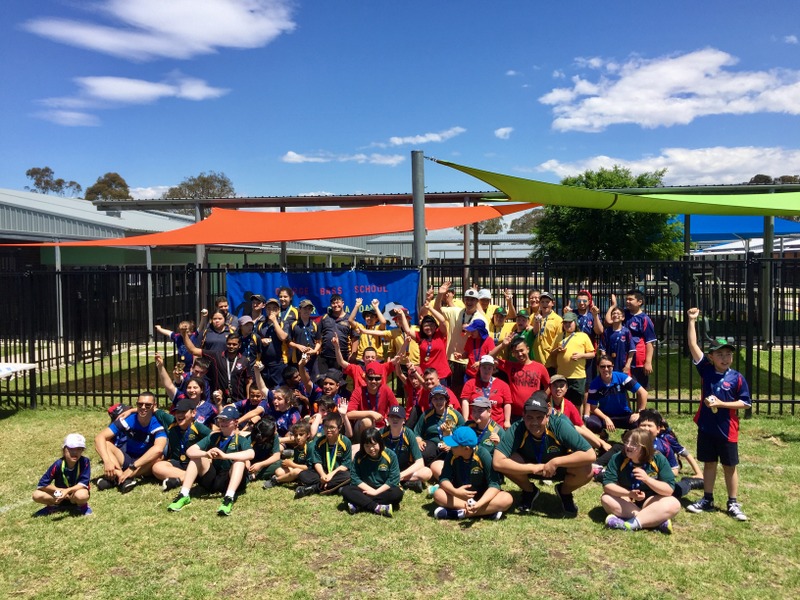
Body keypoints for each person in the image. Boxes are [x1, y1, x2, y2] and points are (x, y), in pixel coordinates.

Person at [685, 308, 751, 521]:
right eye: (720, 354)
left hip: (727, 429)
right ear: (711, 357)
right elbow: (693, 345)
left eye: (728, 354)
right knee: (709, 463)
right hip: (707, 426)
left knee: (730, 466)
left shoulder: (737, 378)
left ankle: (732, 502)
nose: (725, 358)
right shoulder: (706, 369)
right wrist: (692, 321)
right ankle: (707, 499)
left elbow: (745, 403)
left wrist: (722, 403)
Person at [493, 393, 594, 515]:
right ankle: (529, 491)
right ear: (523, 416)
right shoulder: (518, 427)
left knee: (587, 470)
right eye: (529, 417)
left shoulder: (559, 425)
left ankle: (564, 492)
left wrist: (555, 462)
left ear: (547, 416)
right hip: (530, 467)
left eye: (539, 417)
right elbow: (498, 461)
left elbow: (590, 454)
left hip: (559, 468)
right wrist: (533, 467)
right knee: (506, 460)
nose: (534, 422)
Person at [167, 404, 254, 516]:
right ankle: (184, 495)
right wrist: (206, 454)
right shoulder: (213, 436)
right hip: (214, 479)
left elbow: (251, 454)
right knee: (196, 458)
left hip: (230, 478)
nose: (222, 423)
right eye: (220, 419)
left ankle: (229, 498)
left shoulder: (240, 439)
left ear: (236, 422)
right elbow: (190, 451)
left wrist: (225, 456)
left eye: (227, 420)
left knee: (239, 463)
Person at [601, 428, 680, 534]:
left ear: (644, 447)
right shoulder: (617, 458)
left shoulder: (658, 459)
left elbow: (669, 490)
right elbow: (608, 485)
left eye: (633, 444)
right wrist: (629, 493)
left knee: (674, 503)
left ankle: (628, 524)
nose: (628, 446)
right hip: (627, 501)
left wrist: (647, 480)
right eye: (627, 442)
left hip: (651, 502)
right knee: (606, 498)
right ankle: (653, 520)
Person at [432, 426, 513, 520]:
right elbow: (444, 479)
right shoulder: (452, 454)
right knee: (438, 494)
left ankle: (457, 513)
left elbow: (494, 485)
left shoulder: (483, 454)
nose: (451, 447)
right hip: (459, 496)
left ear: (466, 448)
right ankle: (487, 512)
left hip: (483, 497)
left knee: (507, 498)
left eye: (454, 445)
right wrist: (456, 492)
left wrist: (479, 504)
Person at [95, 392, 167, 493]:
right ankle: (121, 476)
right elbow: (99, 437)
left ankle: (121, 477)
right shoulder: (128, 419)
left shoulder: (157, 423)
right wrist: (107, 461)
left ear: (154, 406)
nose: (143, 407)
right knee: (106, 443)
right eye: (140, 404)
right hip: (128, 457)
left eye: (147, 405)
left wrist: (132, 468)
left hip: (144, 463)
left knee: (159, 456)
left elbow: (158, 449)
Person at [435, 281, 485, 397]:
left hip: (470, 362)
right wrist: (440, 294)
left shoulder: (480, 318)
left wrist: (471, 331)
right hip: (452, 358)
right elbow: (437, 308)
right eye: (467, 299)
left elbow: (483, 340)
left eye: (472, 300)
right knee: (451, 392)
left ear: (477, 302)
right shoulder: (456, 311)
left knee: (468, 393)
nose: (469, 302)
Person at [151, 398, 212, 491]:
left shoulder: (199, 427)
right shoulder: (171, 422)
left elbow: (214, 438)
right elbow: (153, 409)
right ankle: (190, 478)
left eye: (183, 412)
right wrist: (131, 410)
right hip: (177, 462)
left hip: (195, 463)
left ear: (193, 413)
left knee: (205, 460)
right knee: (157, 468)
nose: (179, 415)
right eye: (177, 412)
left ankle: (180, 479)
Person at [341, 427, 403, 517]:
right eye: (367, 446)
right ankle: (377, 507)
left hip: (383, 490)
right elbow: (355, 478)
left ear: (380, 443)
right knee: (346, 490)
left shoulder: (390, 455)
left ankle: (359, 504)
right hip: (365, 489)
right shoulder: (359, 456)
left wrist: (376, 492)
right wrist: (370, 490)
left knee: (397, 494)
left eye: (374, 445)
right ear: (362, 446)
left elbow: (393, 479)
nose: (371, 449)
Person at [489, 335, 550, 422]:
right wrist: (503, 345)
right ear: (513, 354)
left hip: (533, 412)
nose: (520, 354)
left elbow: (548, 386)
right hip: (515, 414)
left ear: (527, 349)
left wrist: (541, 399)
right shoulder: (510, 366)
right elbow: (490, 357)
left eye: (522, 350)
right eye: (516, 352)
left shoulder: (540, 367)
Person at [294, 412, 352, 499]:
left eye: (332, 427)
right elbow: (317, 462)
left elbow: (345, 465)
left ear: (339, 428)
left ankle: (314, 488)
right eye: (326, 426)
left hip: (337, 473)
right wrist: (322, 475)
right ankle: (335, 487)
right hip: (322, 472)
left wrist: (330, 475)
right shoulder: (319, 441)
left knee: (349, 476)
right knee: (303, 475)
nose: (328, 430)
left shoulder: (345, 442)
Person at [413, 384, 465, 481]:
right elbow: (416, 432)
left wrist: (452, 444)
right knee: (422, 452)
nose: (438, 402)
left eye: (441, 398)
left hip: (451, 443)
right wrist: (419, 441)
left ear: (446, 400)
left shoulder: (455, 414)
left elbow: (464, 433)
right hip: (433, 444)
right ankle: (430, 470)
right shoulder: (426, 415)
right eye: (435, 399)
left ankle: (442, 471)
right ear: (431, 401)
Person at [33, 433, 92, 517]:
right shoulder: (58, 464)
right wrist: (61, 491)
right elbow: (42, 484)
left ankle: (82, 507)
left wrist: (67, 491)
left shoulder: (84, 462)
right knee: (36, 494)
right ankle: (53, 506)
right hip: (59, 496)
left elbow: (83, 484)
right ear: (64, 450)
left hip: (74, 495)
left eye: (79, 449)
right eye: (71, 449)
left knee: (82, 495)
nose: (75, 452)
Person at [585, 356, 648, 435]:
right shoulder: (594, 384)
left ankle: (627, 435)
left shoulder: (622, 378)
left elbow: (643, 393)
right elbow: (593, 408)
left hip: (624, 415)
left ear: (613, 366)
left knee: (641, 422)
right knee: (591, 423)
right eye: (602, 366)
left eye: (609, 366)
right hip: (605, 415)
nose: (606, 369)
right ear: (598, 367)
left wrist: (639, 413)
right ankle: (603, 435)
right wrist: (606, 418)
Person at [606, 291, 656, 388]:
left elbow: (650, 342)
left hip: (638, 358)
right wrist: (613, 306)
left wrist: (648, 362)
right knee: (621, 386)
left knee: (640, 387)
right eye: (626, 299)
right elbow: (608, 321)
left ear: (639, 302)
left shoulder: (645, 319)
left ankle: (640, 404)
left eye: (631, 299)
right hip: (623, 357)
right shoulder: (624, 314)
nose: (627, 301)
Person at [547, 311, 595, 402]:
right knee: (563, 400)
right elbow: (552, 353)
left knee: (577, 401)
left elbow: (592, 354)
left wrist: (581, 355)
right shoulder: (559, 336)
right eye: (565, 322)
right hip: (562, 375)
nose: (567, 324)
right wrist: (557, 350)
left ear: (575, 322)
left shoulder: (583, 336)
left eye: (570, 322)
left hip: (578, 376)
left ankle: (578, 416)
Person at [381, 405, 430, 492]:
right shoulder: (381, 433)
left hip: (404, 469)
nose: (395, 419)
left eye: (398, 417)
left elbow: (420, 462)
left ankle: (398, 480)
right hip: (385, 468)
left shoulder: (408, 433)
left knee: (427, 473)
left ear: (404, 420)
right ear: (387, 419)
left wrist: (400, 475)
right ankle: (406, 483)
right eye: (392, 416)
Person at [460, 355, 512, 429]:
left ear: (493, 369)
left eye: (489, 368)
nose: (486, 371)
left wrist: (507, 421)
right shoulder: (470, 383)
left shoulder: (503, 385)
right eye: (484, 367)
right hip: (474, 423)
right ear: (479, 368)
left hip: (496, 424)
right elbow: (465, 401)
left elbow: (507, 403)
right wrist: (465, 419)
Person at [347, 363, 399, 433]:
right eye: (370, 378)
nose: (374, 381)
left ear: (381, 378)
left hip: (382, 426)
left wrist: (390, 419)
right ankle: (364, 443)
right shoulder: (358, 391)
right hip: (362, 426)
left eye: (377, 378)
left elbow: (396, 409)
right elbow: (349, 414)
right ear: (365, 377)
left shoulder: (386, 390)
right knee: (367, 421)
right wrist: (371, 413)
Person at [256, 297, 290, 388]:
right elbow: (255, 340)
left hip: (279, 363)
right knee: (264, 389)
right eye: (269, 308)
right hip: (264, 363)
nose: (271, 311)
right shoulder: (260, 325)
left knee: (279, 389)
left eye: (274, 309)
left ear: (279, 310)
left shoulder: (283, 323)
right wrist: (261, 341)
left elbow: (283, 337)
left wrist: (274, 321)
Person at [319, 294, 355, 374]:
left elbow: (355, 338)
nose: (335, 305)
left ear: (343, 303)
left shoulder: (349, 319)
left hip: (342, 357)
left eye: (337, 302)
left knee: (339, 382)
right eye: (333, 303)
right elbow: (318, 336)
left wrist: (353, 354)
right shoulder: (325, 317)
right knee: (324, 381)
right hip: (325, 356)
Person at [268, 421, 312, 488]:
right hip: (298, 469)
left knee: (295, 472)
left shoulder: (310, 447)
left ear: (308, 434)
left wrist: (291, 464)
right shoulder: (296, 448)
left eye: (301, 434)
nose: (298, 437)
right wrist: (287, 464)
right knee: (278, 471)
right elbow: (296, 463)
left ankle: (276, 480)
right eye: (296, 435)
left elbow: (308, 467)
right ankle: (290, 478)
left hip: (309, 472)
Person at [289, 299, 322, 379]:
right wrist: (298, 346)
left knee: (314, 380)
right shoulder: (293, 325)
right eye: (304, 308)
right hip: (299, 358)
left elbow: (319, 341)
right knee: (301, 380)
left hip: (313, 359)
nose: (307, 311)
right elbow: (289, 342)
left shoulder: (315, 325)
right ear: (299, 309)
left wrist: (314, 350)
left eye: (309, 309)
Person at [599, 306, 635, 374]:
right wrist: (605, 363)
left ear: (623, 317)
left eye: (618, 314)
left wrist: (628, 365)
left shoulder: (626, 332)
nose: (616, 315)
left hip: (622, 363)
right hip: (609, 365)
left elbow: (631, 350)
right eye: (614, 313)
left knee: (622, 383)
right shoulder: (607, 332)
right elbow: (603, 349)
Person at [247, 416, 283, 485]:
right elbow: (245, 456)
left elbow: (276, 456)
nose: (276, 431)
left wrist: (261, 464)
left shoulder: (274, 436)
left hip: (265, 462)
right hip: (252, 463)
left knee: (280, 462)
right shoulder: (250, 438)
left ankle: (253, 475)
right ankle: (252, 474)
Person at [532, 291, 562, 369]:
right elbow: (532, 333)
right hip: (535, 359)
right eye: (542, 302)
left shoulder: (558, 320)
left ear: (553, 303)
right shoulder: (534, 317)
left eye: (547, 302)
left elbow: (559, 340)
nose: (545, 304)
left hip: (550, 361)